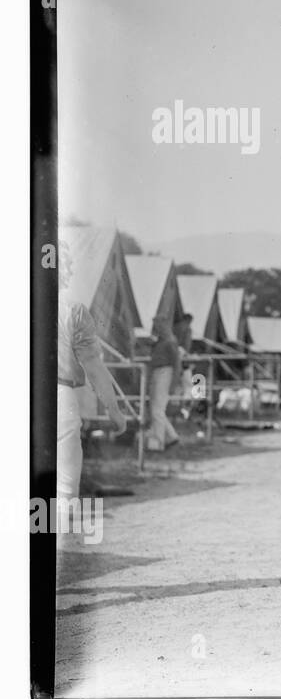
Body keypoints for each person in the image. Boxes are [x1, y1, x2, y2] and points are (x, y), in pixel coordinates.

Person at [57, 243, 128, 576]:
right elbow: (95, 367)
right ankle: (45, 564)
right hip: (59, 399)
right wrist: (114, 410)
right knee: (64, 487)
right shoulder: (73, 309)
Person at [145, 313, 180, 451]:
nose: (156, 327)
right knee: (155, 409)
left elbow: (177, 364)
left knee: (157, 410)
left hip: (165, 373)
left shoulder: (170, 341)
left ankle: (158, 443)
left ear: (165, 324)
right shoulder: (161, 340)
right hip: (157, 372)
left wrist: (173, 384)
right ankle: (172, 436)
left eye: (158, 324)